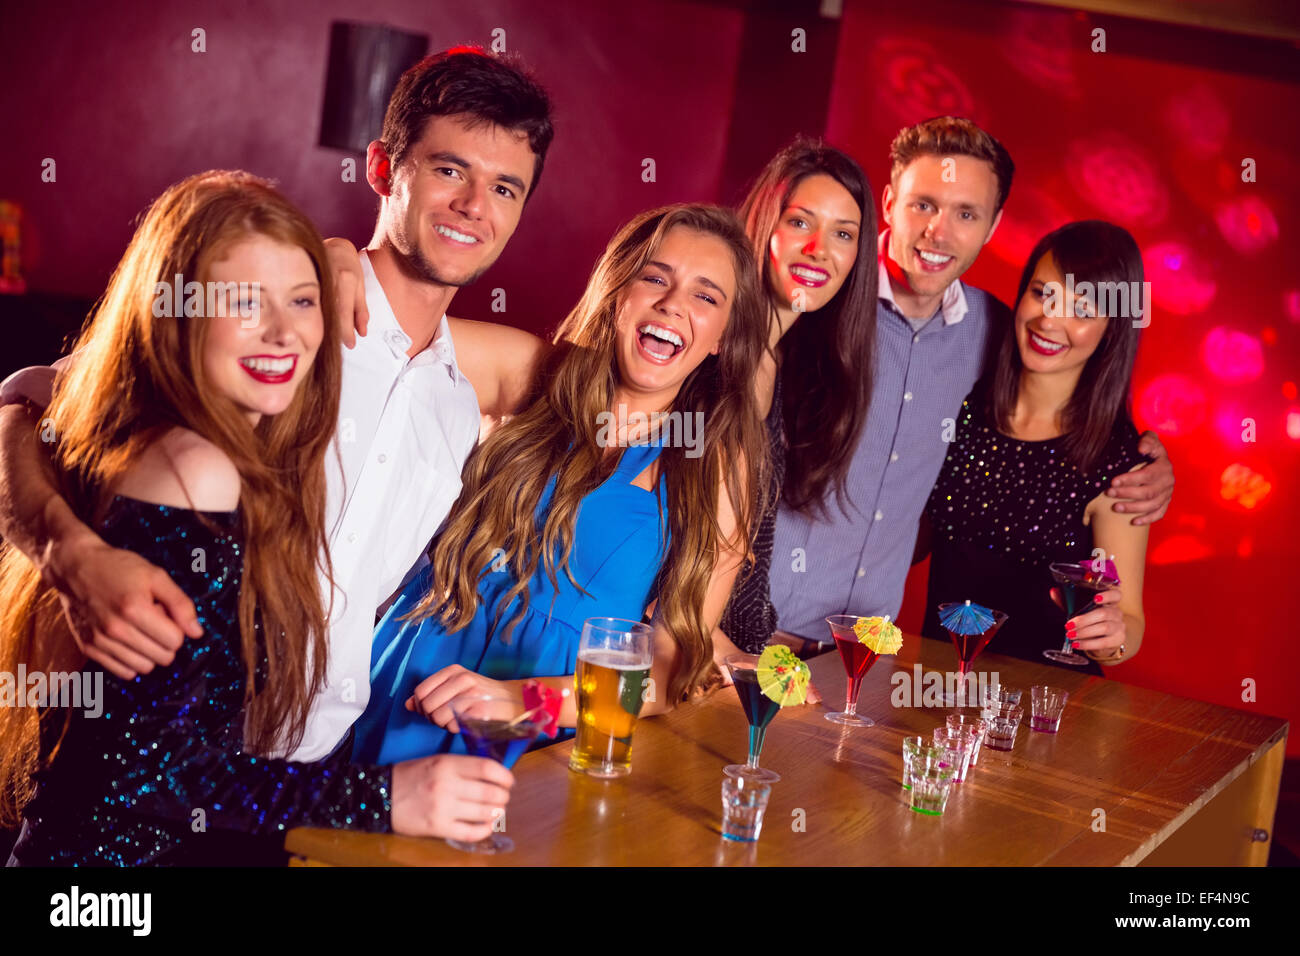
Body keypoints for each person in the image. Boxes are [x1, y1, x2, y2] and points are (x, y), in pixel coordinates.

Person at [0, 48, 555, 762]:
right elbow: (28, 398)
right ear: (383, 168)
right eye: (450, 171)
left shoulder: (455, 406)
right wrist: (69, 555)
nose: (474, 207)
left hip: (304, 783)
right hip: (156, 766)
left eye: (505, 189)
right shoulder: (284, 322)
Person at [0, 171, 512, 866]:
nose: (284, 332)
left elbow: (29, 393)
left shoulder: (209, 434)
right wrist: (389, 798)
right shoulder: (193, 467)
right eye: (244, 301)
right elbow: (144, 773)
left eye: (303, 301)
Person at [351, 203, 770, 765]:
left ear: (722, 336)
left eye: (706, 295)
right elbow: (382, 327)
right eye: (655, 277)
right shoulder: (533, 372)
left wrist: (523, 703)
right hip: (409, 683)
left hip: (550, 728)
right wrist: (339, 261)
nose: (673, 304)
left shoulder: (715, 461)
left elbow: (668, 673)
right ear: (619, 294)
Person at [767, 117, 1175, 645]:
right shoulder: (817, 293)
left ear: (993, 225)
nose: (940, 231)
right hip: (754, 627)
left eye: (966, 213)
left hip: (862, 651)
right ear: (889, 203)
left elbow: (1069, 385)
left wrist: (1152, 464)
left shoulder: (994, 335)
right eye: (924, 205)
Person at [920, 221, 1150, 673]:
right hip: (939, 687)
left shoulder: (1118, 458)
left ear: (1111, 330)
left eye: (1081, 310)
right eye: (1043, 294)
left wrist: (1111, 640)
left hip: (1044, 710)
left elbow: (1130, 621)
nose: (1049, 321)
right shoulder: (962, 406)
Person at [713, 137, 878, 658]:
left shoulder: (782, 363)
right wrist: (729, 659)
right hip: (682, 660)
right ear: (765, 224)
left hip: (739, 656)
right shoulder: (708, 349)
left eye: (843, 234)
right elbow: (641, 539)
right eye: (801, 222)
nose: (819, 250)